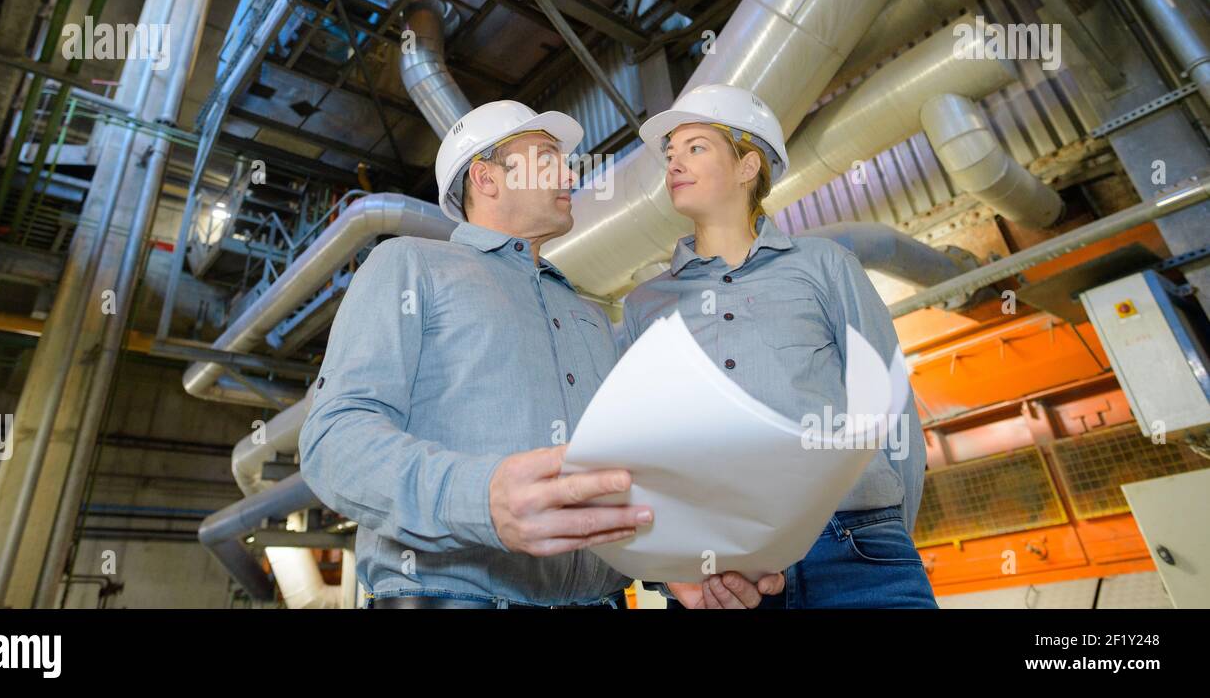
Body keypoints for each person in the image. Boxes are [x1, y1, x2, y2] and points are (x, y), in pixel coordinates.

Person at [299, 100, 782, 608]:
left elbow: (615, 472)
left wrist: (678, 562)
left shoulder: (590, 316)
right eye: (546, 157)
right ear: (486, 179)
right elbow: (334, 441)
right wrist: (479, 499)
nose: (570, 171)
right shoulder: (410, 265)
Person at [622, 83, 936, 609]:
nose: (674, 162)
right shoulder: (644, 306)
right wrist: (668, 569)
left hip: (855, 549)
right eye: (670, 154)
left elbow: (886, 400)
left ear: (748, 166)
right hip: (722, 572)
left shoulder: (823, 265)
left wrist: (883, 530)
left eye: (695, 147)